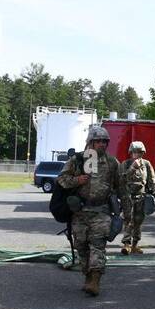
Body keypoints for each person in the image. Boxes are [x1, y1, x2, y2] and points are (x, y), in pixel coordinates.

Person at [57, 124, 123, 296]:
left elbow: (121, 188)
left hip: (101, 211)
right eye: (98, 141)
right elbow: (62, 179)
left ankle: (95, 280)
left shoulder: (112, 162)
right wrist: (77, 180)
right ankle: (87, 276)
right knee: (81, 246)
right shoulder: (78, 160)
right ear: (90, 142)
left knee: (97, 246)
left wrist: (125, 213)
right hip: (79, 212)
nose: (102, 144)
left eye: (105, 141)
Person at [120, 141, 155, 254]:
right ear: (131, 152)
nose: (137, 155)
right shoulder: (126, 164)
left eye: (140, 152)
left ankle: (135, 245)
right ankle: (126, 244)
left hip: (141, 196)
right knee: (129, 220)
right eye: (135, 152)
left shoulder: (146, 164)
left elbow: (152, 178)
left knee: (139, 221)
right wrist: (132, 168)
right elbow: (122, 179)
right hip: (128, 196)